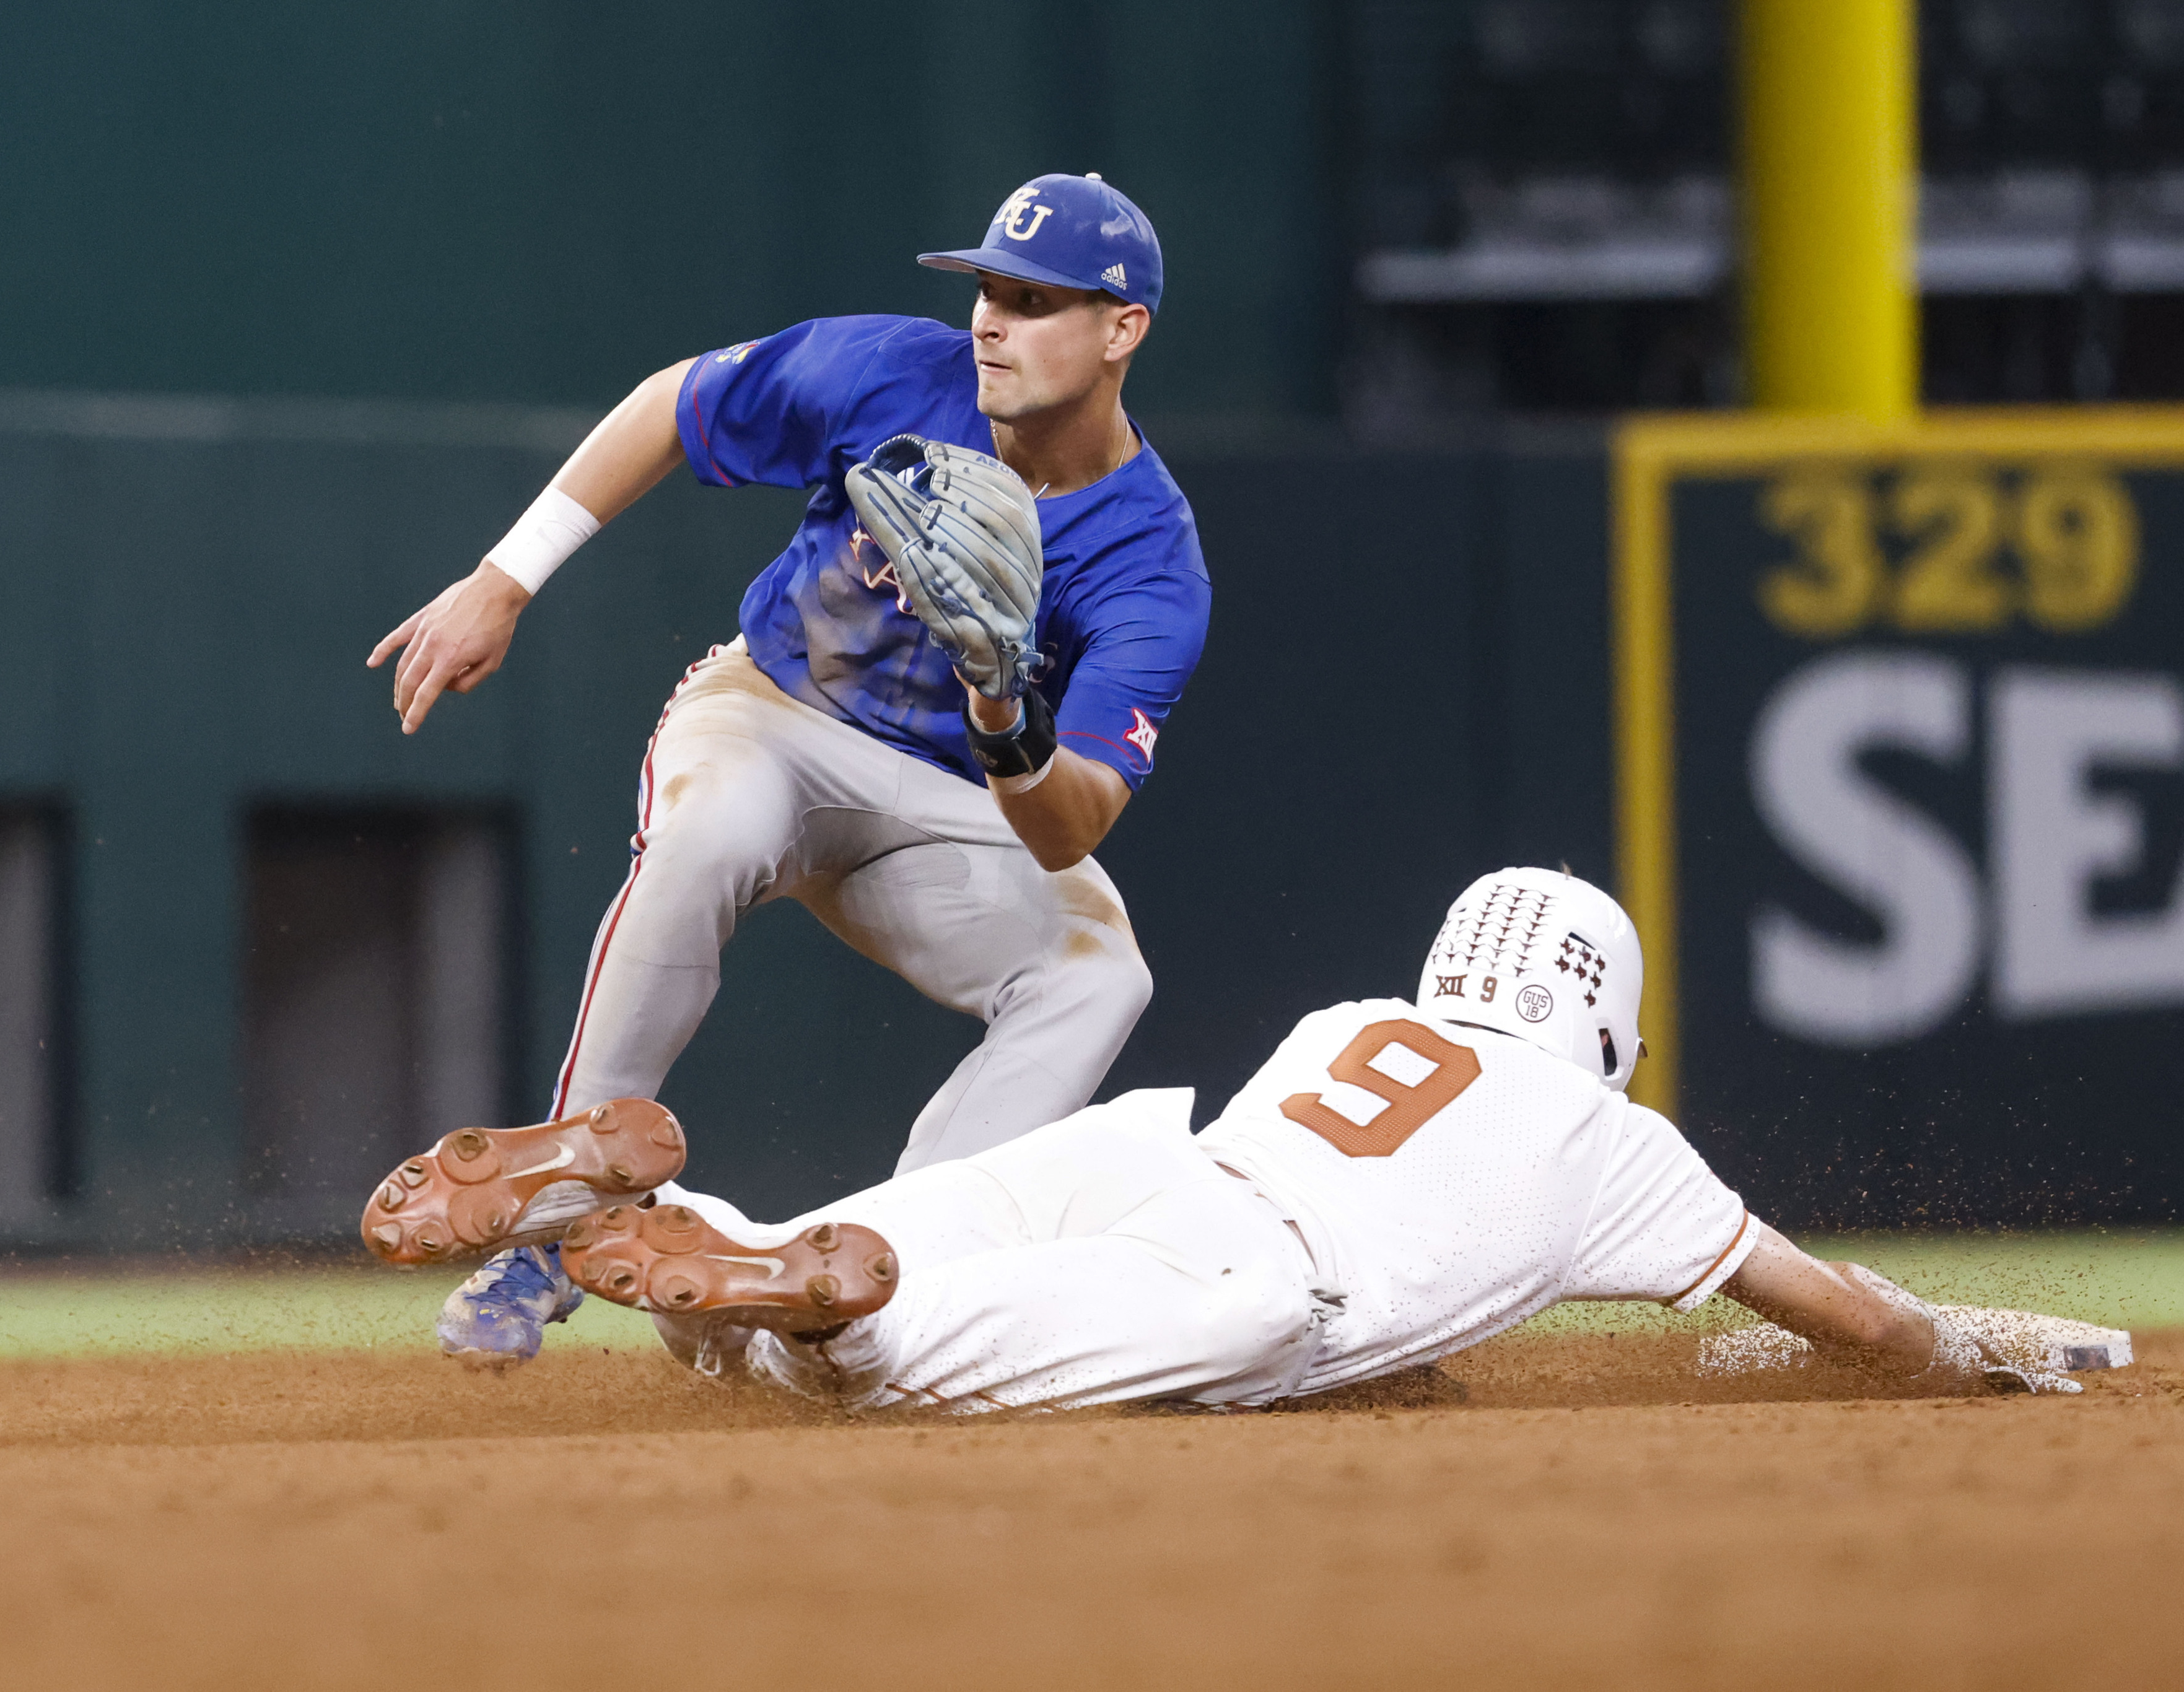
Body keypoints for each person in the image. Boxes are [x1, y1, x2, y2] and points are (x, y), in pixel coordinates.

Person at [364, 174, 1211, 1362]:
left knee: (1098, 975)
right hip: (770, 712)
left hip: (951, 797)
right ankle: (555, 1226)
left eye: (1031, 300)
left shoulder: (1150, 558)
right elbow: (677, 402)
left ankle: (873, 1277)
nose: (990, 322)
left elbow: (1072, 827)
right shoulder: (896, 374)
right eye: (985, 291)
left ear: (1122, 329)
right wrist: (507, 577)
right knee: (704, 836)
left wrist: (1003, 705)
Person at [523, 867, 2120, 1410]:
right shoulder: (1611, 1139)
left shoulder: (1355, 1023)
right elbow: (1841, 1316)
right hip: (1261, 1274)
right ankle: (827, 1303)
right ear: (1606, 1019)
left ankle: (703, 1216)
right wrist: (1956, 1345)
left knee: (883, 1258)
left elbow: (1433, 1226)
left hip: (1146, 1157)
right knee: (886, 1358)